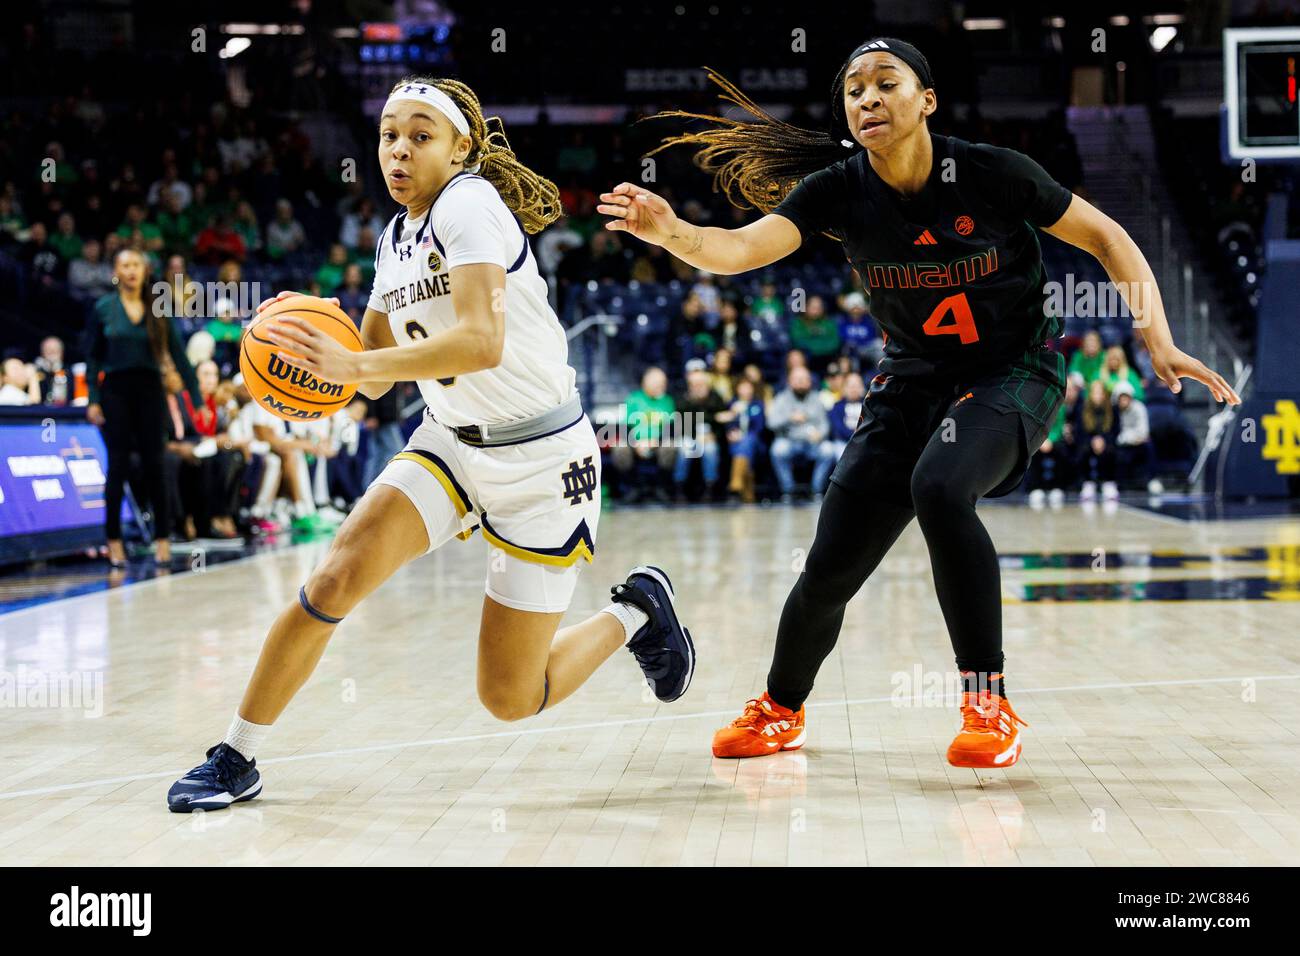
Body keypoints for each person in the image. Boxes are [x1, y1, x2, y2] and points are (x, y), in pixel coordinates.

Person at [599, 37, 1239, 766]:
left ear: (926, 99)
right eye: (854, 90)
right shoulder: (838, 190)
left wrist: (1154, 335)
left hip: (1012, 373)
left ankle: (988, 705)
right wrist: (670, 231)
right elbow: (739, 249)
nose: (868, 98)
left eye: (885, 83)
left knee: (939, 487)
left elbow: (1107, 236)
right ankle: (780, 708)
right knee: (831, 564)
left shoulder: (992, 172)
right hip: (910, 385)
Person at [168, 75, 696, 812]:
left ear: (462, 148)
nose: (399, 150)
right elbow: (374, 381)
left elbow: (480, 342)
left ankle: (636, 610)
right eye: (388, 135)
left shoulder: (470, 203)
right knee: (334, 579)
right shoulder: (394, 236)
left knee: (512, 697)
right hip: (451, 445)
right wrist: (308, 332)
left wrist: (357, 363)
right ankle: (236, 755)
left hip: (543, 461)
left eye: (420, 135)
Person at [85, 247, 202, 568]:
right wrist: (93, 399)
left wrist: (198, 397)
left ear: (145, 269)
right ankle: (113, 539)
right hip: (115, 392)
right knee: (118, 465)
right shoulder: (104, 307)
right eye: (125, 265)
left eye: (136, 264)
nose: (131, 270)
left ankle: (163, 537)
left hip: (151, 389)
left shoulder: (158, 307)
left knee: (157, 463)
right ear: (116, 271)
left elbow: (178, 355)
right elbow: (93, 357)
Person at [767, 366, 836, 499]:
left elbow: (825, 424)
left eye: (804, 379)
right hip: (789, 440)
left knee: (828, 450)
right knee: (778, 449)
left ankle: (816, 490)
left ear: (810, 382)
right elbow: (771, 423)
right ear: (790, 381)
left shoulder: (816, 399)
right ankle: (788, 490)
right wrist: (789, 418)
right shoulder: (781, 398)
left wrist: (820, 434)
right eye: (797, 379)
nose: (801, 382)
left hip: (812, 442)